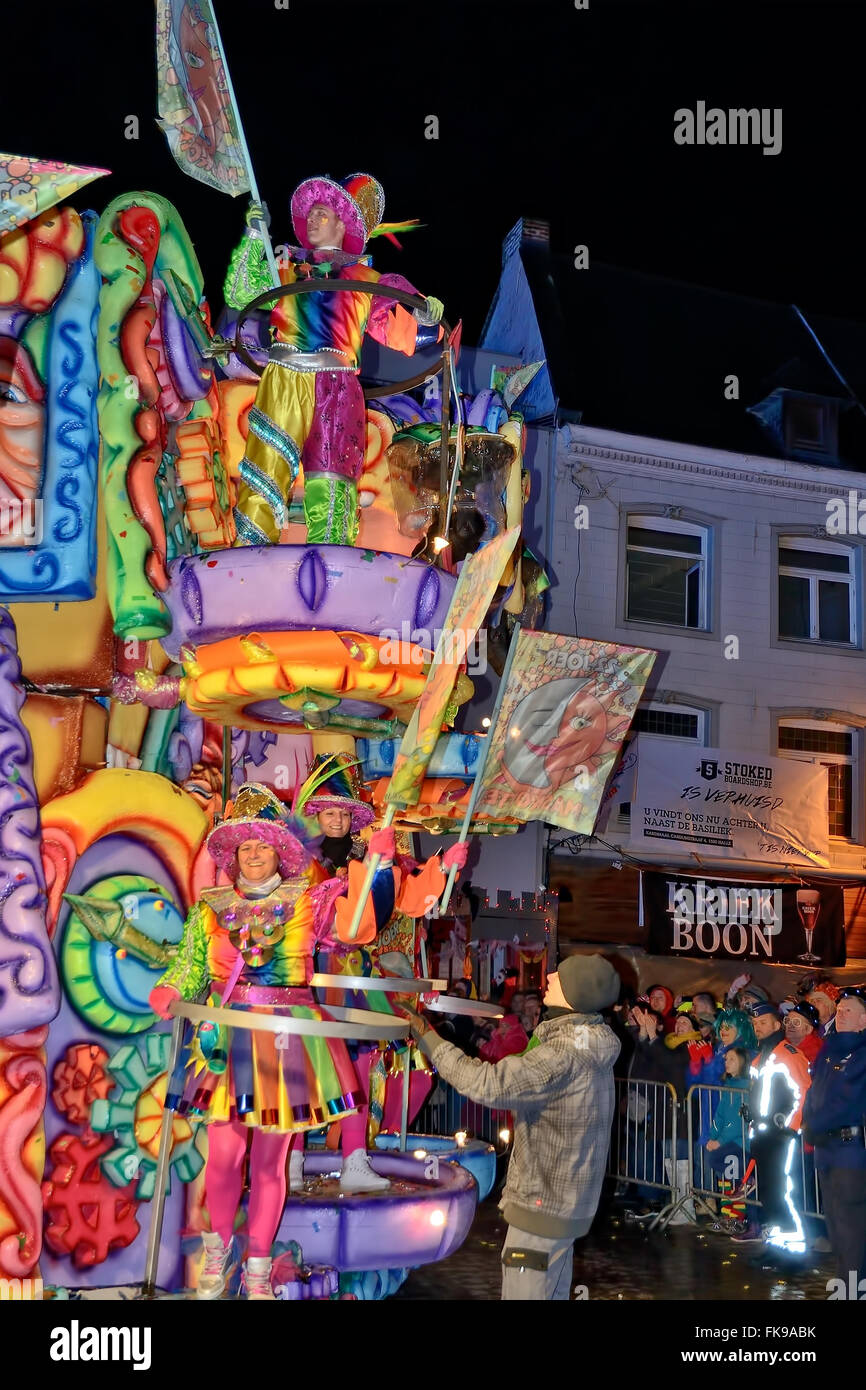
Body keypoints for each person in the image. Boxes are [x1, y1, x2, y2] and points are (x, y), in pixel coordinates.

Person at [147, 783, 372, 1299]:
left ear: (279, 852)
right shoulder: (209, 909)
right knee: (224, 1156)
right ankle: (218, 1250)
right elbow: (190, 967)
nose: (253, 854)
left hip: (286, 1042)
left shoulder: (310, 901)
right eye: (245, 845)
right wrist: (171, 989)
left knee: (271, 1164)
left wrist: (376, 870)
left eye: (262, 845)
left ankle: (257, 1269)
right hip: (227, 1041)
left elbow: (357, 927)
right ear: (234, 854)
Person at [223, 173, 443, 545]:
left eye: (321, 214)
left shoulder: (369, 279)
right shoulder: (286, 266)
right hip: (284, 378)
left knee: (332, 483)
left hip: (337, 387)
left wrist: (425, 314)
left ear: (343, 223)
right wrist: (252, 236)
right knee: (264, 471)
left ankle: (330, 557)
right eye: (309, 214)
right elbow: (239, 292)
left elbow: (403, 330)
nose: (311, 219)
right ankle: (250, 555)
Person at [401, 955, 621, 1300]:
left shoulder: (563, 1053)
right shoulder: (588, 1043)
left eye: (561, 975)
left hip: (543, 1206)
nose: (550, 975)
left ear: (576, 992)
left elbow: (487, 1084)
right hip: (567, 1204)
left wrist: (427, 1036)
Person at [802, 987, 866, 1284]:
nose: (840, 1014)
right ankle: (846, 1284)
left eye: (848, 1010)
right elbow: (814, 1090)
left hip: (849, 1149)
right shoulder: (829, 1049)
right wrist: (808, 1120)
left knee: (851, 1224)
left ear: (864, 1019)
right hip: (826, 1146)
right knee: (835, 1222)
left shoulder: (862, 1053)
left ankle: (853, 1287)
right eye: (839, 1010)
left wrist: (815, 1124)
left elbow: (848, 1100)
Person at [742, 1002, 812, 1260]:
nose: (757, 1027)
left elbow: (803, 1093)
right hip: (763, 1134)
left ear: (776, 1024)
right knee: (769, 1193)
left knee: (782, 1193)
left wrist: (789, 1128)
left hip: (781, 1136)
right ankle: (776, 1248)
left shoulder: (789, 1054)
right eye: (754, 1024)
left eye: (763, 1022)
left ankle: (793, 1253)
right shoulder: (760, 1058)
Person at [703, 1047, 751, 1228]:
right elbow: (720, 1115)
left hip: (739, 1142)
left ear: (742, 1063)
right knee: (726, 1179)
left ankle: (736, 1217)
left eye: (732, 1059)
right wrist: (713, 1136)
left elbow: (738, 1121)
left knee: (732, 1178)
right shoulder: (728, 1085)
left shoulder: (746, 1087)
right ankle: (727, 1215)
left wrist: (720, 1141)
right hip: (728, 1141)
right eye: (726, 1059)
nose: (726, 1063)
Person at [783, 1000, 824, 1064]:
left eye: (796, 1022)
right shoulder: (782, 1043)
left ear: (808, 1029)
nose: (790, 1025)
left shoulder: (815, 1054)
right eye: (788, 1020)